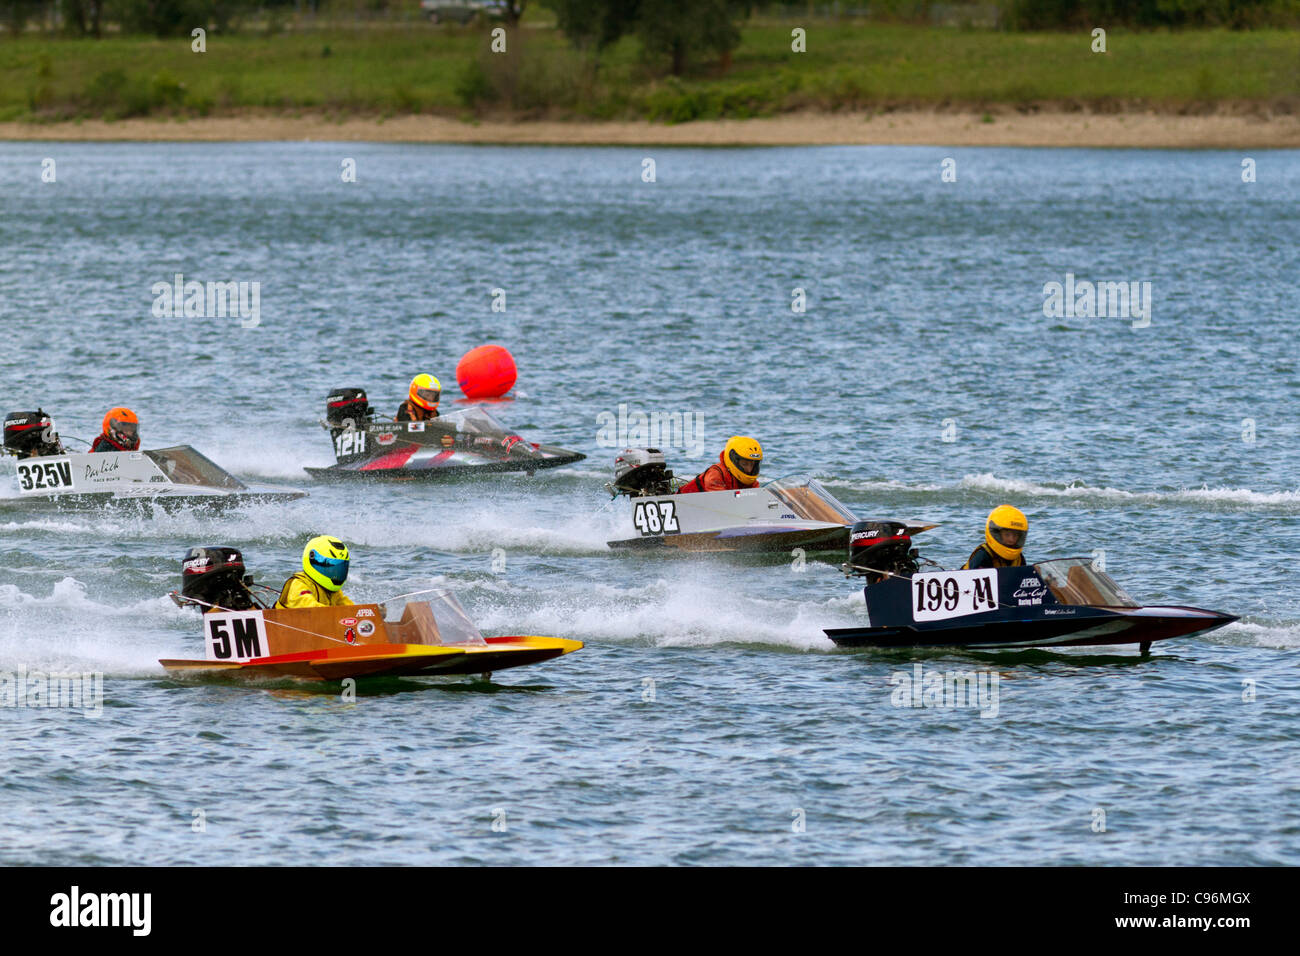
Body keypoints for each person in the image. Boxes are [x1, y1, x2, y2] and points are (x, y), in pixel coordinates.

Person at [275, 536, 355, 609]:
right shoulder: (299, 584)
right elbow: (309, 608)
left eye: (339, 569)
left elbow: (349, 608)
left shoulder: (333, 591)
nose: (335, 573)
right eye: (330, 567)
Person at [677, 436, 763, 494]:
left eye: (752, 465)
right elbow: (721, 504)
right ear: (733, 460)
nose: (749, 470)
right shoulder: (716, 474)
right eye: (745, 464)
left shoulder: (751, 481)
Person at [963, 505, 1029, 570]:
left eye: (1015, 535)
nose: (1011, 539)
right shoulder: (983, 555)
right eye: (1007, 535)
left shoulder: (1019, 558)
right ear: (997, 534)